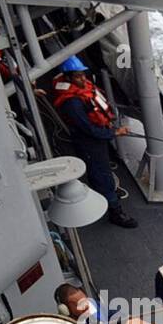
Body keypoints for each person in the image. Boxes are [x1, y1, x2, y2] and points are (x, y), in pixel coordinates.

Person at [48, 55, 136, 228]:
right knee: (101, 174)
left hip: (98, 135)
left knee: (101, 172)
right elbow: (87, 129)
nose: (82, 78)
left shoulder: (82, 90)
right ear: (68, 77)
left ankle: (107, 195)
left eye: (83, 74)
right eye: (77, 76)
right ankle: (115, 212)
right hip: (89, 141)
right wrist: (114, 132)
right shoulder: (72, 103)